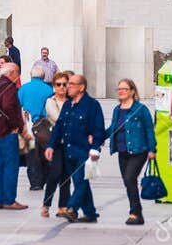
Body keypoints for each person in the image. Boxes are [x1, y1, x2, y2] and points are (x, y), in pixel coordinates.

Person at [49, 71, 106, 223]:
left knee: (80, 182)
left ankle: (72, 208)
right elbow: (59, 126)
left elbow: (98, 129)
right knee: (81, 182)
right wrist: (51, 146)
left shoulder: (92, 105)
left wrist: (95, 147)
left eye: (71, 84)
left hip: (85, 152)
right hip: (69, 150)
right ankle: (90, 213)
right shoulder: (68, 104)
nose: (68, 87)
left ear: (81, 87)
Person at [108, 77, 157, 226]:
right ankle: (137, 213)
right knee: (128, 182)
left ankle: (134, 212)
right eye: (119, 89)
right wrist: (96, 137)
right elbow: (112, 129)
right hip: (122, 150)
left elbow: (149, 129)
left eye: (124, 89)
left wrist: (152, 149)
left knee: (130, 178)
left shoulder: (140, 109)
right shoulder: (117, 110)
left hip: (138, 150)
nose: (121, 92)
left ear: (132, 91)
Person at [0, 60, 27, 210]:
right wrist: (16, 126)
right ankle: (9, 200)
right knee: (11, 165)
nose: (18, 77)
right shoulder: (9, 87)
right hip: (7, 132)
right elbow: (8, 107)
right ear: (11, 73)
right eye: (17, 73)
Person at [18, 64, 55, 195]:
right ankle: (44, 179)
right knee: (45, 154)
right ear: (44, 77)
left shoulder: (23, 89)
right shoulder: (49, 90)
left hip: (28, 127)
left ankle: (35, 183)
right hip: (44, 127)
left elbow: (18, 106)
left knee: (31, 155)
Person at [39, 72, 73, 217]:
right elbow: (58, 119)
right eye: (58, 84)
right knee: (55, 173)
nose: (62, 87)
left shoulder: (72, 100)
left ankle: (63, 206)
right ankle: (46, 204)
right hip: (55, 142)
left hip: (70, 143)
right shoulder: (50, 101)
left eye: (65, 84)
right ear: (54, 86)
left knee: (66, 175)